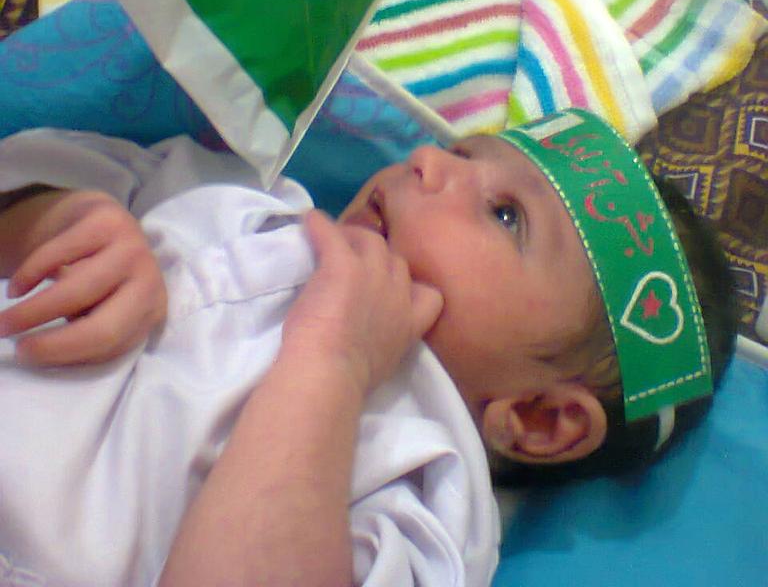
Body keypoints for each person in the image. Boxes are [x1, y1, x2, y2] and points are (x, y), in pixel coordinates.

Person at [0, 109, 735, 587]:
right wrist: (56, 222)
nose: (427, 163)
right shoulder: (259, 204)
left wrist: (333, 365)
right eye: (458, 150)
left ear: (541, 418)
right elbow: (29, 166)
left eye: (504, 215)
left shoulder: (428, 494)